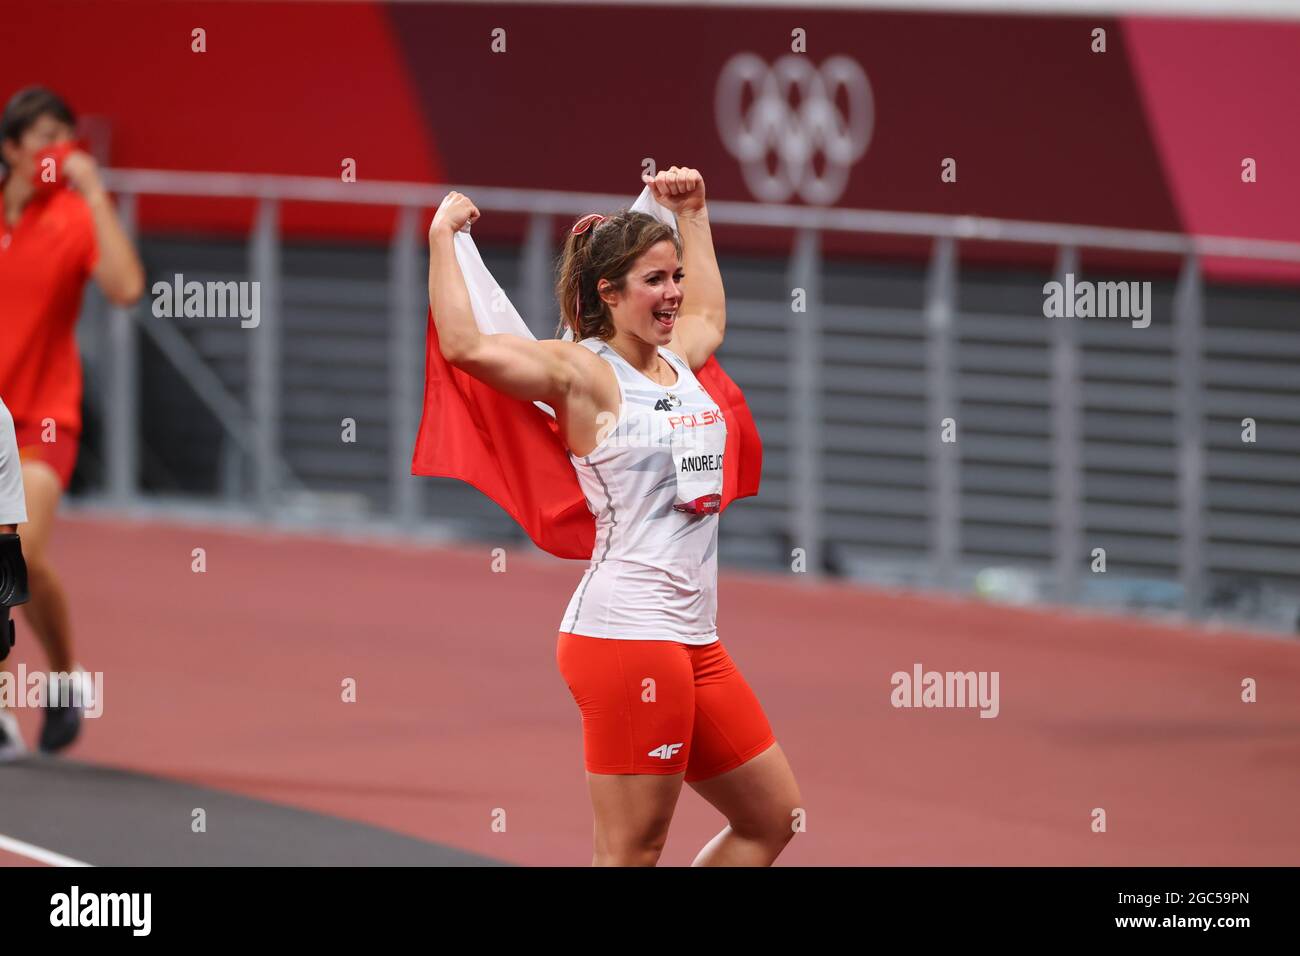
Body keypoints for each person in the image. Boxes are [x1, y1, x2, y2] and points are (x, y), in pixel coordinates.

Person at [427, 166, 802, 866]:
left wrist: (694, 212)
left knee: (774, 817)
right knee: (633, 852)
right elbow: (465, 347)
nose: (673, 294)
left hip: (694, 638)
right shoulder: (584, 373)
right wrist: (442, 238)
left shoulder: (678, 357)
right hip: (626, 635)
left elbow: (711, 318)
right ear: (609, 292)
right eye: (655, 281)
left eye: (674, 277)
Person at [0, 86, 145, 753]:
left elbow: (124, 288)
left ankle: (62, 677)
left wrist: (92, 191)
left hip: (42, 419)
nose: (58, 146)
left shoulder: (73, 216)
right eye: (43, 136)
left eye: (66, 133)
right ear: (12, 149)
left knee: (20, 551)